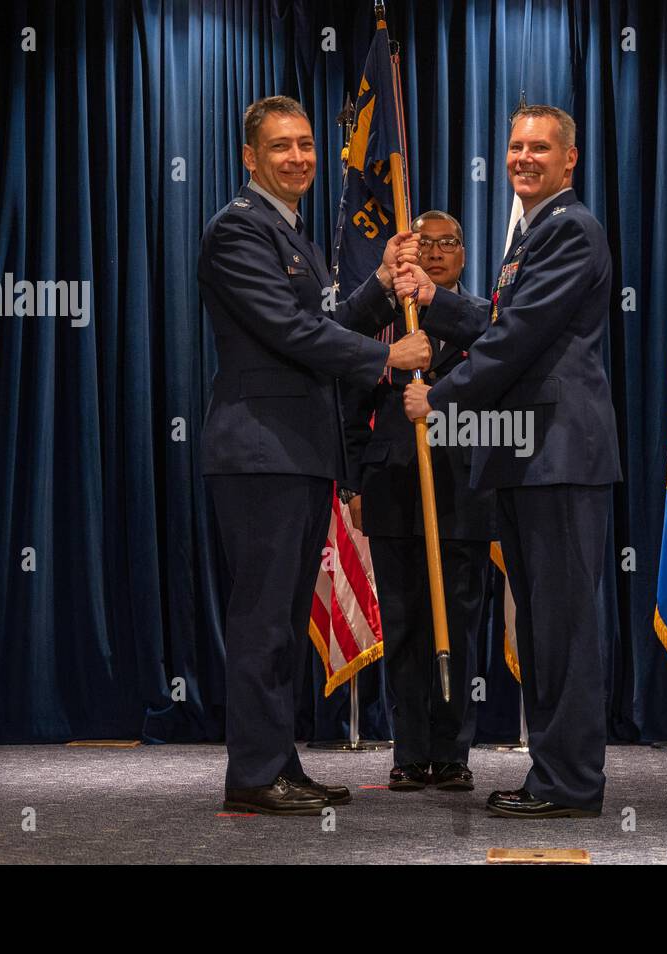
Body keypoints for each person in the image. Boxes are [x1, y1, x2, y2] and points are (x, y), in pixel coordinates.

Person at [198, 95, 431, 816]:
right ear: (249, 157)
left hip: (298, 453)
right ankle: (254, 775)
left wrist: (381, 286)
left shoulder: (288, 232)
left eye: (304, 144)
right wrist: (386, 353)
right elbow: (290, 334)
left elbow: (318, 320)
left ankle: (277, 764)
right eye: (280, 147)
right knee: (263, 620)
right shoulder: (237, 232)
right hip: (260, 455)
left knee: (282, 618)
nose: (297, 156)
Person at [398, 105, 620, 819]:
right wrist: (436, 301)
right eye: (516, 146)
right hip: (529, 456)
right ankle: (552, 773)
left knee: (562, 627)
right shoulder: (532, 235)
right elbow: (500, 323)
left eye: (540, 147)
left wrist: (441, 397)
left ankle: (573, 782)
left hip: (558, 454)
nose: (523, 157)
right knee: (543, 628)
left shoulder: (569, 230)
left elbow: (517, 339)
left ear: (569, 159)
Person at [344, 211, 495, 793]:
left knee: (458, 621)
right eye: (422, 243)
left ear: (462, 253)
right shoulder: (378, 321)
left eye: (447, 243)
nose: (434, 252)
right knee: (403, 624)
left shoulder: (481, 318)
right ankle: (408, 751)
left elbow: (498, 368)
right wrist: (354, 484)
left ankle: (452, 751)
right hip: (389, 488)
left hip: (462, 490)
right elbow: (350, 405)